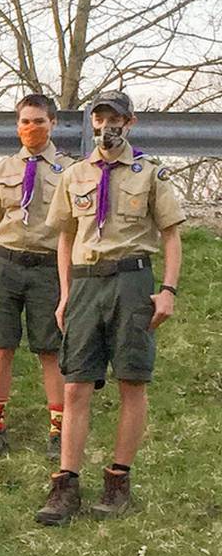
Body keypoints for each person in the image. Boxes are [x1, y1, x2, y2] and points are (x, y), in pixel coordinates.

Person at [36, 91, 184, 525]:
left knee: (131, 381)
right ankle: (65, 485)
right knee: (76, 384)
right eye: (99, 119)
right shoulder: (75, 174)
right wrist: (65, 293)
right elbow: (64, 235)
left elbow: (172, 235)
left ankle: (118, 480)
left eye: (115, 119)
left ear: (130, 122)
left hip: (132, 281)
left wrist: (168, 290)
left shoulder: (151, 174)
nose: (106, 127)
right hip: (85, 282)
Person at [0, 94, 73, 459]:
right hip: (6, 263)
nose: (31, 128)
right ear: (17, 126)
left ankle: (57, 432)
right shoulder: (4, 169)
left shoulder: (67, 170)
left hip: (47, 267)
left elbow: (71, 231)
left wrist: (68, 282)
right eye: (25, 122)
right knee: (1, 346)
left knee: (49, 349)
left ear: (53, 124)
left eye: (39, 122)